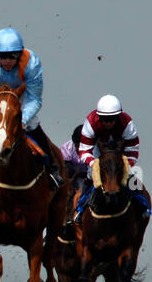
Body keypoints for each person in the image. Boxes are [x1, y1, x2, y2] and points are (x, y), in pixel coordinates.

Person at [0, 28, 60, 180]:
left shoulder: (31, 62)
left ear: (20, 54)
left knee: (33, 125)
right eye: (2, 56)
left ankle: (52, 168)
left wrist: (23, 120)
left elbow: (35, 100)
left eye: (12, 56)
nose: (7, 60)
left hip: (22, 96)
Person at [58, 95, 145, 241]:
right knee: (92, 177)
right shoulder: (91, 122)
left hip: (119, 150)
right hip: (98, 150)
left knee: (132, 176)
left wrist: (127, 165)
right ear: (99, 118)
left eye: (112, 119)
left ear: (119, 116)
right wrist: (94, 164)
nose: (109, 123)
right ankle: (79, 209)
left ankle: (142, 207)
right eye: (105, 119)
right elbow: (84, 149)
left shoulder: (127, 123)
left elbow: (133, 148)